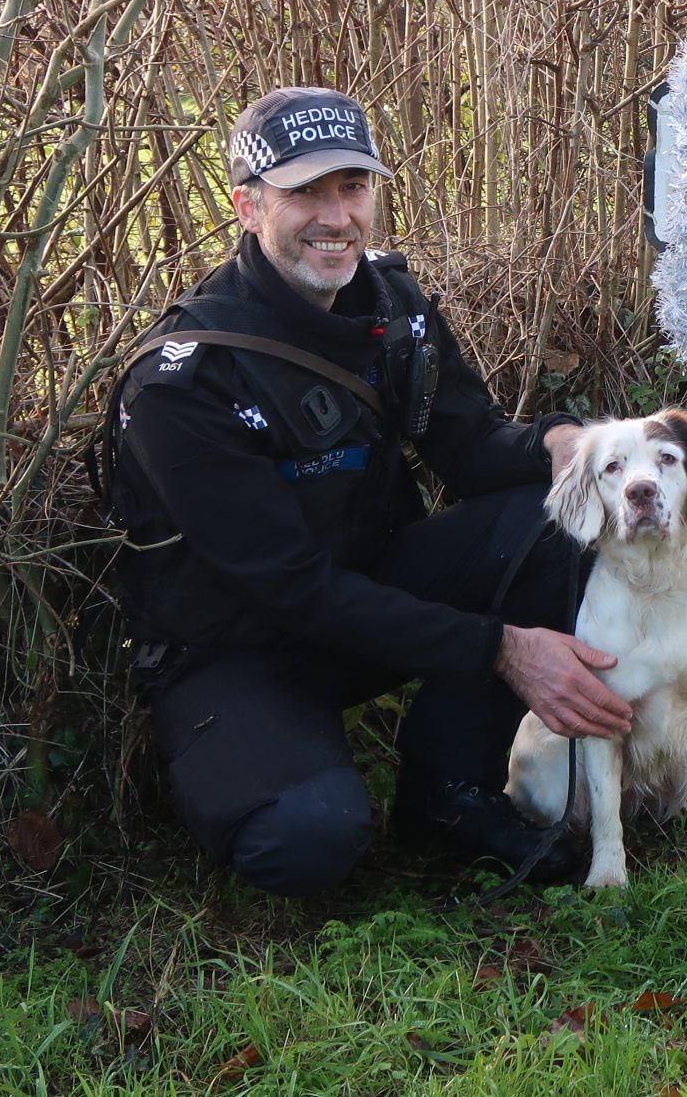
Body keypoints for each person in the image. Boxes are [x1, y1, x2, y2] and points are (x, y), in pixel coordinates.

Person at [99, 86, 633, 895]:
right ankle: (263, 765)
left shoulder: (395, 304)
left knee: (556, 520)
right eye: (305, 191)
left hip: (369, 601)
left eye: (352, 186)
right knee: (309, 840)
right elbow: (292, 589)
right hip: (239, 650)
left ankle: (450, 791)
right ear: (248, 206)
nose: (336, 216)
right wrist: (502, 648)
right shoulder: (184, 381)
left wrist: (558, 442)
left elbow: (470, 445)